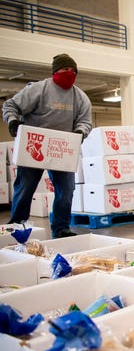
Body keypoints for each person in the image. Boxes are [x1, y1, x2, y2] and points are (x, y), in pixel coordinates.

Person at [2, 53, 92, 238]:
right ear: (55, 71)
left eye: (73, 70)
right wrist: (13, 122)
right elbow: (11, 106)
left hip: (62, 150)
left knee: (66, 191)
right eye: (65, 69)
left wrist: (80, 133)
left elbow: (85, 121)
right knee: (25, 187)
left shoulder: (80, 97)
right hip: (34, 146)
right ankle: (17, 226)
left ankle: (61, 229)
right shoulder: (38, 89)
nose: (69, 73)